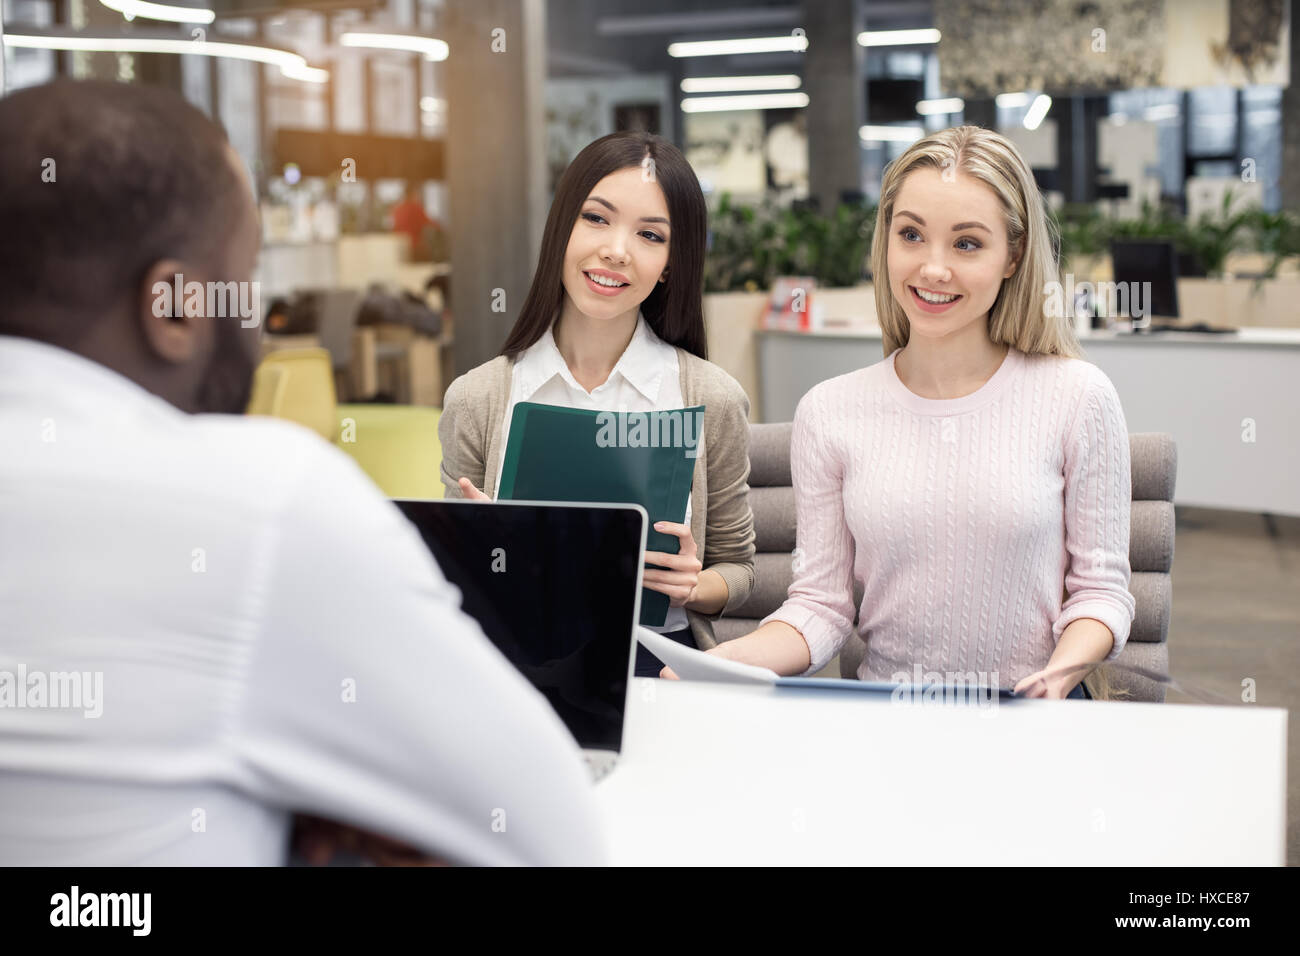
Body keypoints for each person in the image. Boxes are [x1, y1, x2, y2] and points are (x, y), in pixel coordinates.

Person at [0, 79, 606, 866]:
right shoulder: (256, 505)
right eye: (246, 279)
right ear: (178, 306)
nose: (256, 322)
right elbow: (552, 836)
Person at [679, 125, 1135, 700]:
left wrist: (1060, 673)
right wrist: (726, 662)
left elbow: (1102, 593)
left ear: (1013, 256)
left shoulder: (1079, 397)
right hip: (891, 721)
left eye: (966, 243)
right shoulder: (830, 411)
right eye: (912, 235)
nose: (933, 268)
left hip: (1034, 718)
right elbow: (821, 606)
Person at [438, 131, 755, 678]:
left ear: (670, 263)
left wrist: (694, 584)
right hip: (518, 664)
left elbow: (743, 570)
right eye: (597, 218)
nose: (617, 250)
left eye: (650, 234)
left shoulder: (712, 398)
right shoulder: (478, 399)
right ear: (562, 228)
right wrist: (479, 550)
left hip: (656, 665)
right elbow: (447, 584)